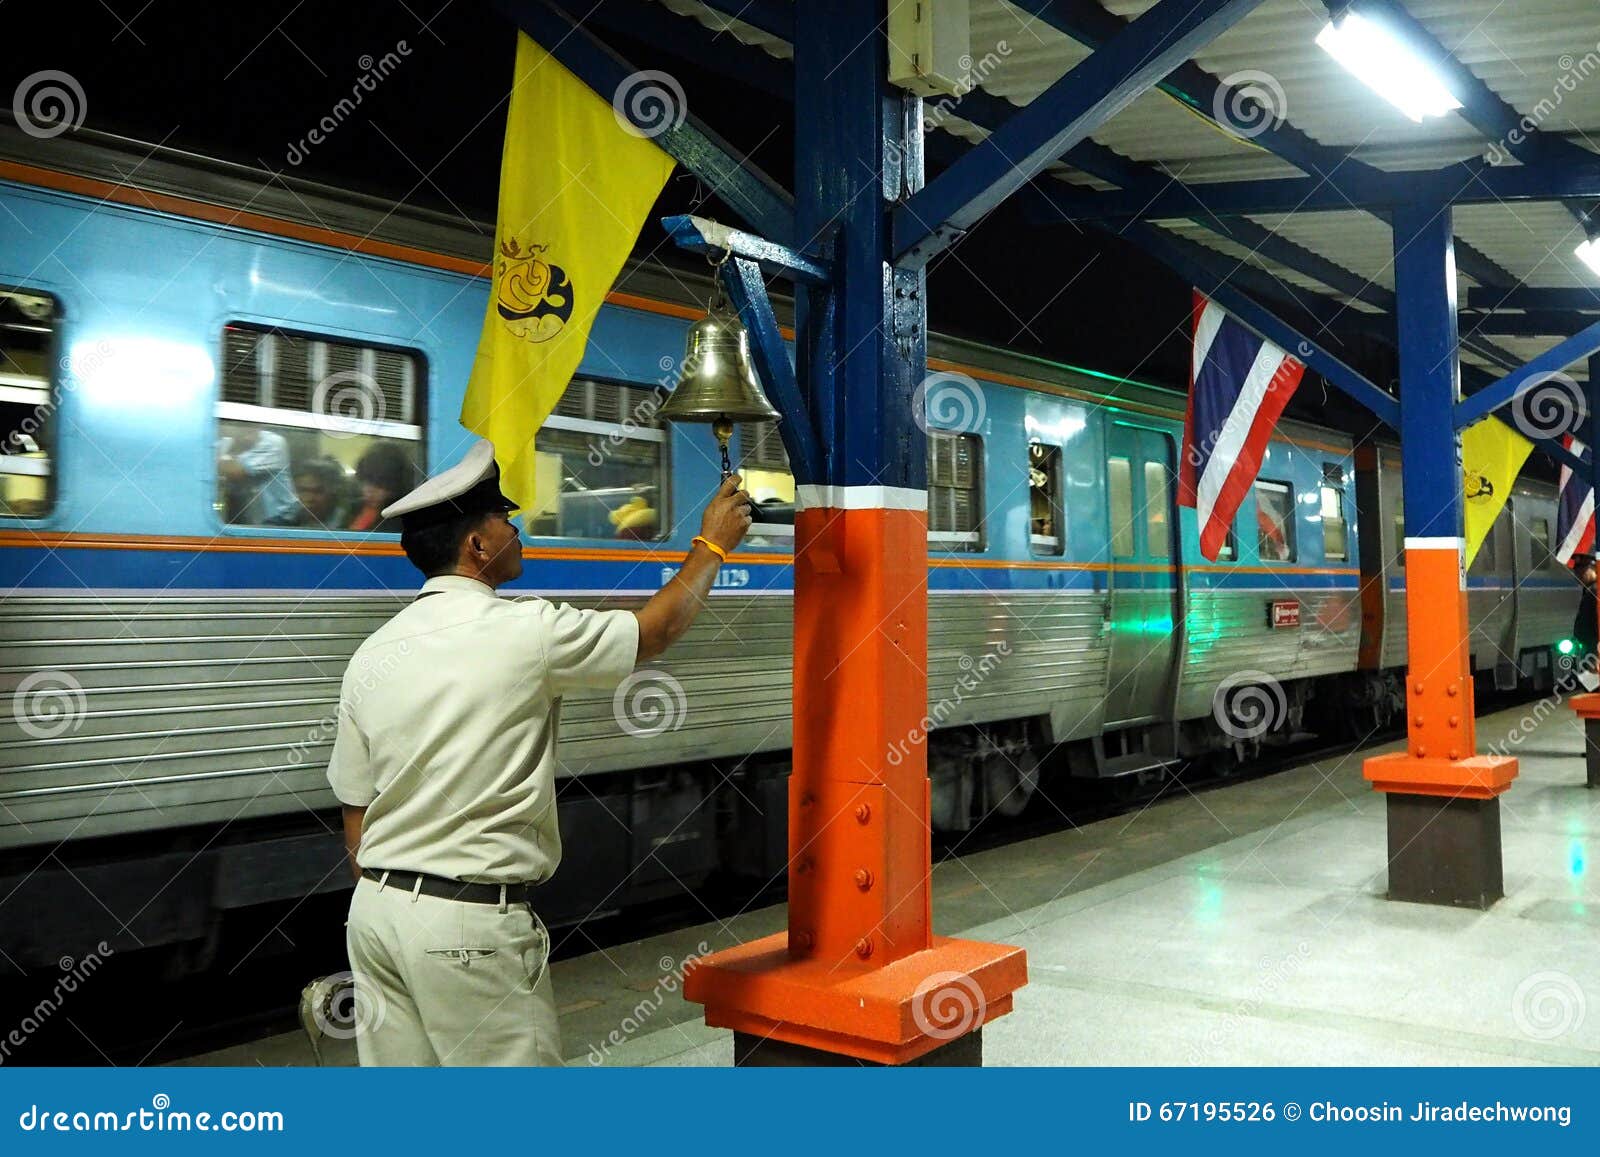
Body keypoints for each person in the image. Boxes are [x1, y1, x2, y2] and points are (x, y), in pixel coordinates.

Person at [327, 438, 752, 1066]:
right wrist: (712, 544)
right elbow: (654, 631)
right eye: (504, 519)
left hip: (375, 920)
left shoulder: (372, 653)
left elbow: (355, 815)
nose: (516, 528)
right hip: (467, 925)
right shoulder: (524, 630)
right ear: (476, 546)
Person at [218, 426, 296, 525]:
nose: (248, 428)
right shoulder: (226, 442)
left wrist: (226, 455)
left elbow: (235, 471)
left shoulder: (273, 442)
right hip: (244, 516)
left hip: (279, 520)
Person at [346, 442, 415, 533]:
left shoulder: (401, 518)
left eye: (379, 484)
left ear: (395, 485)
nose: (369, 491)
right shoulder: (353, 508)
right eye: (366, 482)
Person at [277, 457, 349, 528]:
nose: (309, 498)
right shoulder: (286, 520)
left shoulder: (348, 522)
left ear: (332, 492)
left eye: (318, 491)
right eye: (302, 490)